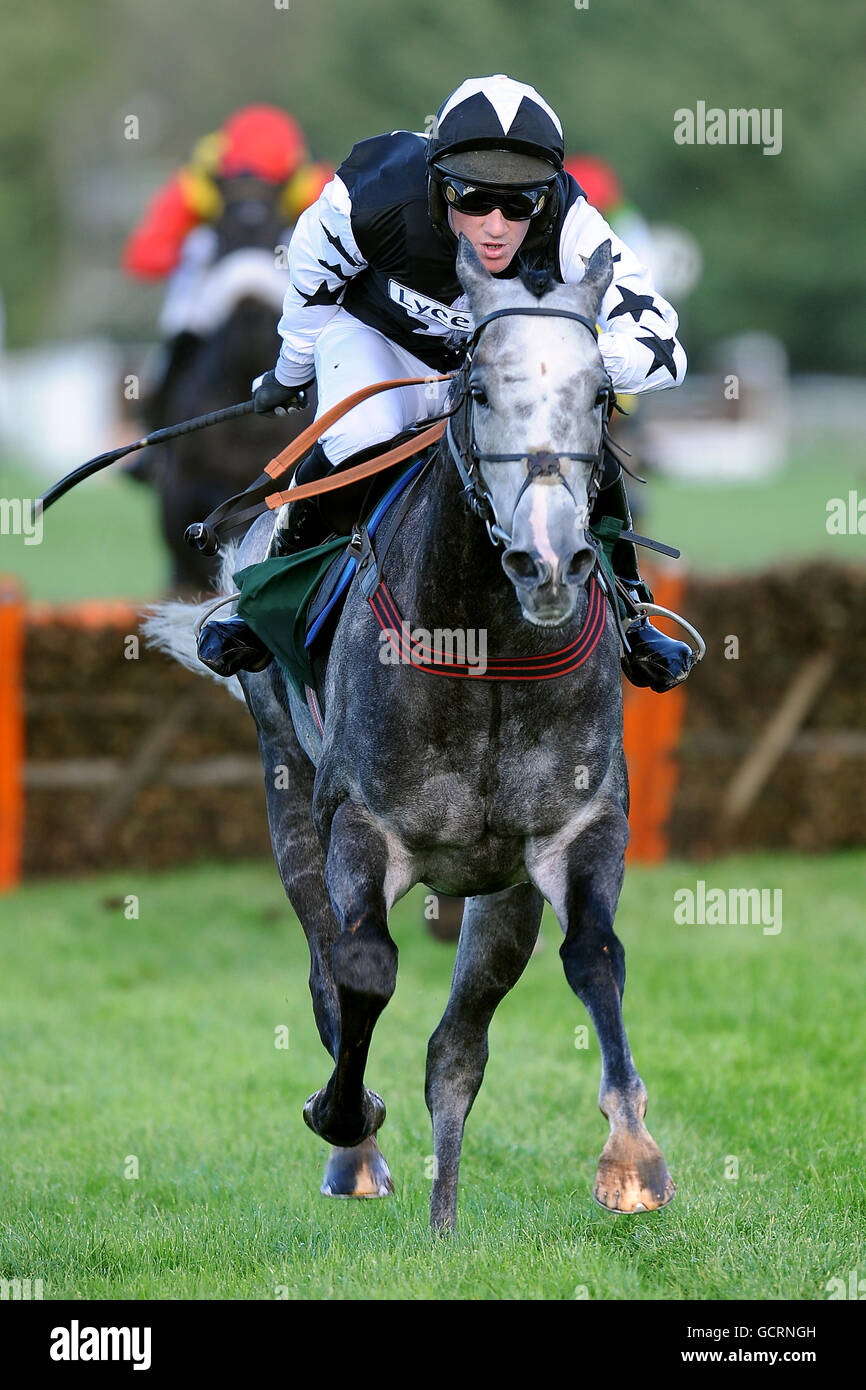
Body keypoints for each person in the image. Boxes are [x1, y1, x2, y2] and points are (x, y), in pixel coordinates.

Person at [198, 75, 694, 692]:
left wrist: (565, 362)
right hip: (381, 343)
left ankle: (631, 609)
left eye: (520, 204)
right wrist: (291, 371)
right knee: (359, 436)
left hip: (498, 366)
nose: (494, 225)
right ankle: (263, 602)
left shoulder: (573, 224)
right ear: (437, 183)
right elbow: (309, 273)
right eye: (473, 197)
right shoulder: (371, 193)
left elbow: (662, 344)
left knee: (579, 432)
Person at [122, 105, 333, 427]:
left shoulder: (314, 184)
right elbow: (142, 255)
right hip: (211, 281)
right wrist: (183, 252)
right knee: (195, 258)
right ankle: (159, 408)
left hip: (288, 277)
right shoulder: (197, 181)